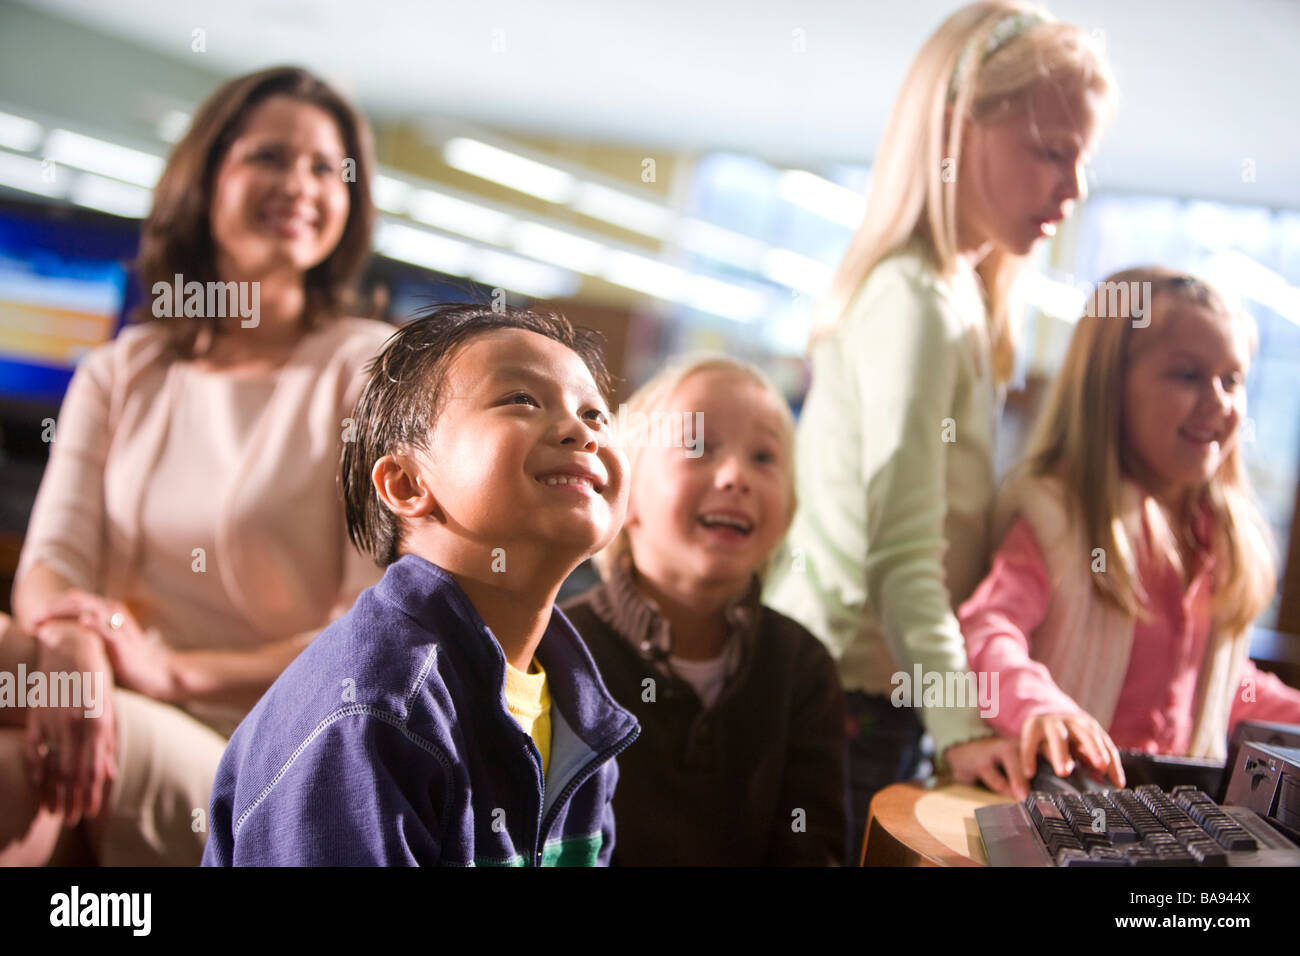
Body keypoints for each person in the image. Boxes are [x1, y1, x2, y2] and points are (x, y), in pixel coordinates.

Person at [1, 65, 390, 865]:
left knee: (21, 765)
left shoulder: (370, 371)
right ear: (207, 176)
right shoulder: (125, 368)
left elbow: (368, 632)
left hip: (254, 748)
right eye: (270, 158)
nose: (301, 185)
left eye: (327, 168)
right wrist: (77, 643)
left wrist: (168, 672)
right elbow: (50, 563)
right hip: (98, 686)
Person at [763, 0, 1117, 854]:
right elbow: (902, 554)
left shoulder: (959, 298)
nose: (1072, 190)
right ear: (956, 127)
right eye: (1050, 152)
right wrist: (959, 724)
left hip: (882, 687)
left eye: (1082, 162)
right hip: (846, 688)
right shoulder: (913, 302)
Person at [203, 305, 639, 866]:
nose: (581, 431)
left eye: (596, 415)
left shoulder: (583, 713)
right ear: (408, 484)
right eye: (522, 400)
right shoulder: (370, 710)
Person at [961, 269, 1300, 780]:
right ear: (1110, 387)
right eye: (1187, 376)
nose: (1218, 402)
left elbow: (1223, 685)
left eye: (1232, 379)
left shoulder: (1219, 537)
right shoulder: (1057, 517)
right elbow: (989, 631)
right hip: (1065, 816)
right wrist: (1042, 707)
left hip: (1171, 830)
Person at [562, 356, 845, 866]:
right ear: (622, 487)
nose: (737, 476)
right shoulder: (558, 650)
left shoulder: (804, 668)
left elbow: (811, 848)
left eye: (764, 457)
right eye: (697, 446)